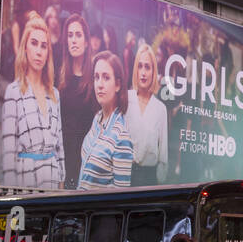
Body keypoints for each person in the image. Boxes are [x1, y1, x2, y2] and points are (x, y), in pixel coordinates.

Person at [0, 14, 65, 189]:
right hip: (25, 179)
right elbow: (9, 150)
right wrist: (12, 193)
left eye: (44, 46)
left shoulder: (54, 94)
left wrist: (62, 183)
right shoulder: (14, 91)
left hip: (52, 178)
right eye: (34, 43)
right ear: (25, 48)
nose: (39, 51)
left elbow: (59, 146)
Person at [79, 51, 134, 189]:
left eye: (106, 77)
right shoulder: (97, 119)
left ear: (118, 85)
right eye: (96, 77)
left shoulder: (121, 137)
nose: (99, 84)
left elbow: (120, 200)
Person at [57, 13, 96, 188]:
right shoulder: (60, 74)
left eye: (78, 35)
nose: (73, 40)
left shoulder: (96, 77)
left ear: (87, 42)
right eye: (70, 35)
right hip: (62, 158)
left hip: (86, 161)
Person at [125, 42, 168, 186]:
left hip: (149, 179)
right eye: (140, 66)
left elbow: (163, 156)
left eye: (147, 67)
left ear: (153, 72)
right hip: (124, 176)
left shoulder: (160, 109)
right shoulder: (126, 99)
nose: (143, 72)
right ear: (135, 69)